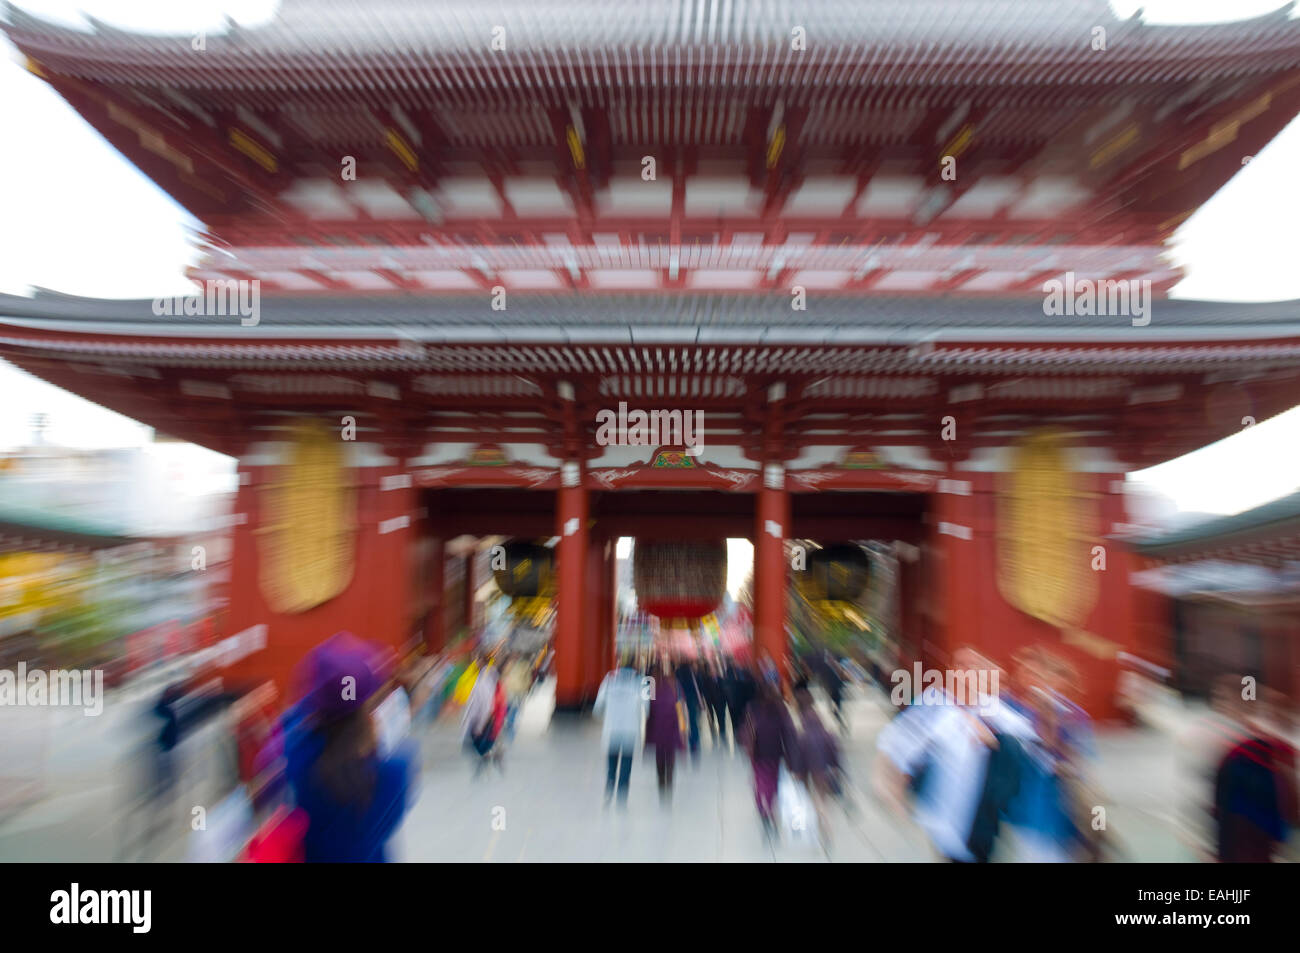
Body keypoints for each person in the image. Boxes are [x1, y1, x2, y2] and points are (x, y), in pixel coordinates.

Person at [874, 647, 1034, 863]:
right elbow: (896, 743)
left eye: (974, 665)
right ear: (952, 670)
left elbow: (1027, 737)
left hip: (983, 817)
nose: (969, 670)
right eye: (962, 665)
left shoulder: (989, 706)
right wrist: (894, 791)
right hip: (946, 813)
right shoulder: (934, 703)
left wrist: (994, 738)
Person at [283, 632, 415, 863]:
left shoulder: (299, 760)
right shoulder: (394, 773)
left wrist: (323, 697)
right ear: (367, 710)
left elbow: (293, 719)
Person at [744, 680, 797, 841]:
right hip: (776, 753)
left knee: (760, 781)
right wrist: (791, 753)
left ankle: (762, 808)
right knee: (773, 782)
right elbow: (790, 732)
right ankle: (770, 809)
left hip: (758, 752)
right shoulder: (781, 709)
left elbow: (747, 729)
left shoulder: (753, 708)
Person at [594, 655, 648, 805]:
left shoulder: (610, 678)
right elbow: (647, 706)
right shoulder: (642, 680)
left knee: (611, 762)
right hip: (630, 729)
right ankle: (621, 796)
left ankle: (609, 789)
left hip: (612, 728)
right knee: (626, 763)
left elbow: (598, 705)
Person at [792, 684, 842, 846]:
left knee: (814, 799)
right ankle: (824, 820)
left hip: (810, 771)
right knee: (823, 798)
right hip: (825, 771)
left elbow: (798, 757)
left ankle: (821, 820)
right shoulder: (828, 735)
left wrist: (797, 772)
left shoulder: (802, 737)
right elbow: (835, 754)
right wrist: (836, 769)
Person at [644, 657, 684, 802]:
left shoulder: (650, 685)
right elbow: (680, 706)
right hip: (670, 727)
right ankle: (667, 785)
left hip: (657, 728)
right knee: (669, 758)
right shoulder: (673, 683)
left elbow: (645, 708)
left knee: (660, 759)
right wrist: (683, 730)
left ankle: (663, 785)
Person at [462, 654, 506, 775]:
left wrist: (479, 723)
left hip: (489, 716)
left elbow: (485, 702)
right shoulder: (486, 676)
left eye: (477, 660)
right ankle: (494, 756)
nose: (475, 662)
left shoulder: (485, 678)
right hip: (492, 714)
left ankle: (491, 756)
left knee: (486, 738)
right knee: (491, 738)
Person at [675, 657, 703, 761]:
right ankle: (694, 742)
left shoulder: (677, 672)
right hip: (692, 698)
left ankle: (681, 742)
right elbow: (699, 686)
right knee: (693, 720)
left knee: (681, 721)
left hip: (680, 698)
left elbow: (675, 685)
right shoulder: (693, 673)